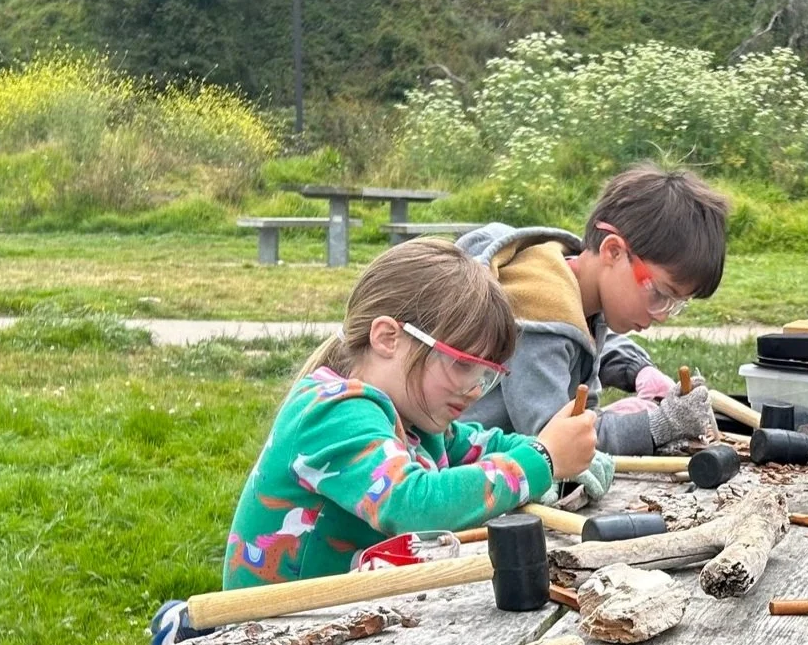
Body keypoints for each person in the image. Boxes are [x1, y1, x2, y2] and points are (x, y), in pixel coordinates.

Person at [222, 237, 596, 589]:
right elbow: (415, 504)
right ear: (388, 337)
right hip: (274, 636)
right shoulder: (334, 412)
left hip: (347, 620)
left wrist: (566, 453)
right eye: (462, 364)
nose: (475, 389)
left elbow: (482, 445)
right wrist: (543, 460)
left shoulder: (418, 420)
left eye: (487, 374)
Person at [458, 167, 731, 457]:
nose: (662, 315)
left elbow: (578, 337)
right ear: (613, 251)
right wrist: (657, 426)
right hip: (464, 473)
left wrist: (639, 369)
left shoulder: (571, 282)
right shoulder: (539, 312)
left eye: (676, 304)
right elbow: (556, 442)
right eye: (660, 294)